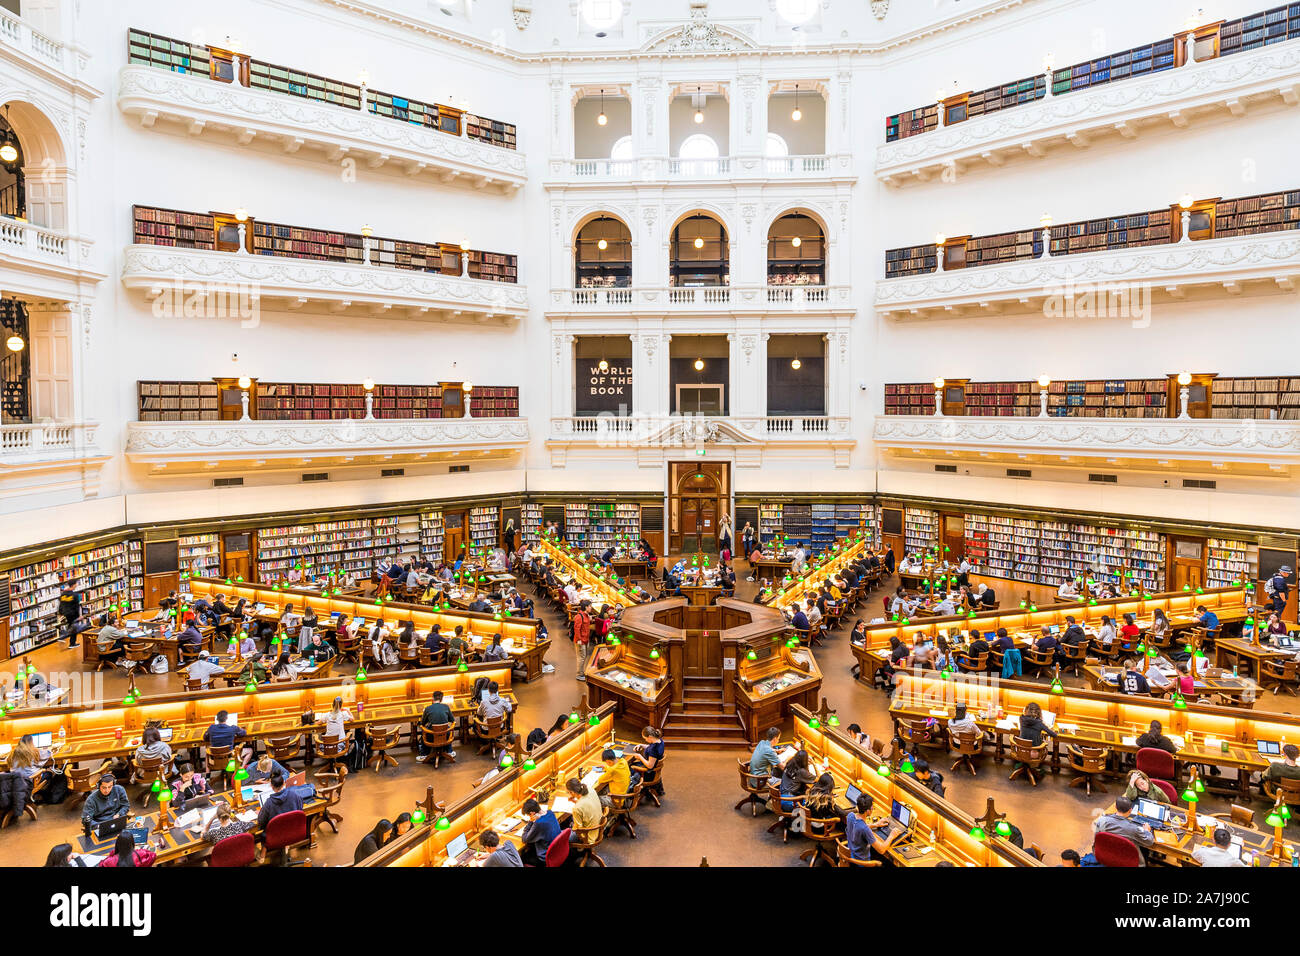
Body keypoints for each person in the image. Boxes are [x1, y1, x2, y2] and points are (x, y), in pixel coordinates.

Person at [843, 792, 904, 863]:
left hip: (851, 855)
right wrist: (891, 835)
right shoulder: (865, 829)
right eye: (872, 807)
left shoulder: (850, 816)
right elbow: (881, 850)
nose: (873, 808)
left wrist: (875, 824)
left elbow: (858, 827)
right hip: (862, 863)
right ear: (868, 811)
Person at [1094, 797, 1154, 863]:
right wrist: (1147, 831)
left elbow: (1097, 839)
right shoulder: (1133, 829)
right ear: (1130, 810)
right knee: (1145, 850)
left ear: (1115, 807)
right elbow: (1149, 842)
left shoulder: (1101, 820)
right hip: (1127, 861)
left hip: (1105, 856)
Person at [519, 797, 560, 866]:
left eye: (529, 815)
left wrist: (530, 822)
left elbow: (524, 839)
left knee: (522, 857)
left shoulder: (538, 823)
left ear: (532, 813)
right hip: (557, 851)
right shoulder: (550, 812)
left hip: (545, 857)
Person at [627, 725, 664, 790]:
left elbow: (650, 766)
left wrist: (640, 757)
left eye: (645, 738)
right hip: (655, 769)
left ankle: (631, 789)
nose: (645, 740)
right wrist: (641, 745)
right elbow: (651, 747)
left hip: (648, 773)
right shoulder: (659, 741)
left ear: (649, 737)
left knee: (629, 766)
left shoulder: (653, 750)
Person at [567, 778, 602, 844]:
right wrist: (575, 801)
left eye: (568, 792)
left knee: (562, 836)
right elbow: (587, 803)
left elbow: (579, 831)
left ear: (572, 792)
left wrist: (573, 827)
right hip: (598, 827)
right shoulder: (591, 790)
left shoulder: (577, 808)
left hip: (588, 836)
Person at [59, 581, 82, 648]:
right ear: (73, 585)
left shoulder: (63, 594)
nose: (77, 585)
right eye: (76, 584)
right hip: (73, 614)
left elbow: (61, 604)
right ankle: (72, 643)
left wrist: (61, 613)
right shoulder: (75, 595)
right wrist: (79, 616)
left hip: (66, 613)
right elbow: (76, 606)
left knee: (71, 625)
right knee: (74, 627)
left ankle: (64, 635)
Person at [572, 600, 592, 680]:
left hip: (585, 639)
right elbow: (576, 629)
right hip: (581, 640)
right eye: (590, 606)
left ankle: (581, 672)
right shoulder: (579, 616)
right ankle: (579, 675)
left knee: (583, 656)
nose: (591, 607)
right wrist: (579, 639)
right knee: (581, 657)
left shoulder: (586, 615)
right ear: (586, 607)